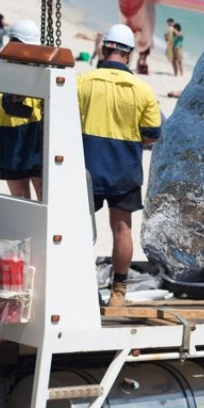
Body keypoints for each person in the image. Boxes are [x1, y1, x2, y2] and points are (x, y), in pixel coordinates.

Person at [77, 24, 162, 307]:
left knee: (77, 228)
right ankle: (118, 293)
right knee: (122, 228)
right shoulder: (142, 90)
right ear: (129, 54)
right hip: (125, 168)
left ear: (104, 49)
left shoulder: (82, 82)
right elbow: (152, 133)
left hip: (87, 167)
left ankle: (76, 283)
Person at [0, 19, 44, 201]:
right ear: (13, 44)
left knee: (45, 195)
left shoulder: (37, 70)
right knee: (21, 198)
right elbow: (9, 105)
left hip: (36, 136)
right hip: (11, 139)